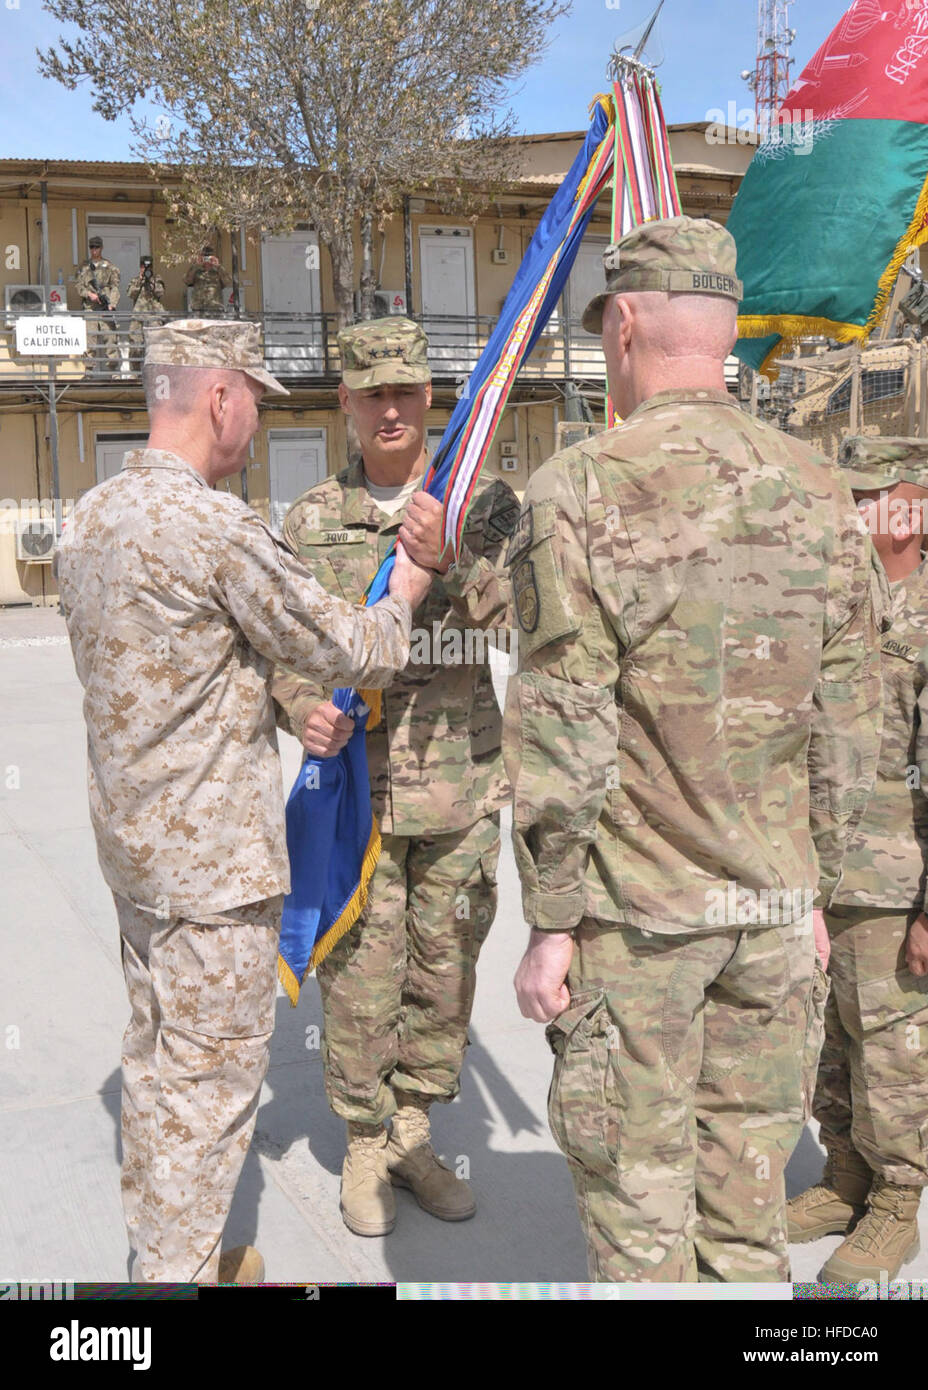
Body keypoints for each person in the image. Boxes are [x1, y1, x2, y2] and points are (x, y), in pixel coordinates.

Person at [504, 216, 884, 1282]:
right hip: (774, 918)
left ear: (624, 325)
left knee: (642, 1221)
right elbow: (848, 726)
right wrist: (814, 891)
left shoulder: (580, 488)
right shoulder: (819, 490)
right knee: (748, 1217)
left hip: (642, 930)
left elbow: (564, 728)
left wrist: (550, 922)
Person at [54, 318, 431, 1284]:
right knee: (211, 1091)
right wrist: (410, 583)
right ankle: (171, 1281)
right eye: (255, 400)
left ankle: (174, 1252)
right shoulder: (216, 529)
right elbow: (360, 649)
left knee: (156, 1066)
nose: (258, 421)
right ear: (220, 399)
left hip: (136, 857)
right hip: (213, 872)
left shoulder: (90, 516)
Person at [272, 316, 519, 1237]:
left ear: (430, 397)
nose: (389, 409)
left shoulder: (482, 504)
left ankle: (415, 1134)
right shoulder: (308, 520)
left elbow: (524, 621)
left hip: (459, 790)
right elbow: (281, 648)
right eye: (371, 392)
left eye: (404, 391)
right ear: (344, 400)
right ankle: (365, 1144)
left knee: (444, 979)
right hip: (358, 804)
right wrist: (301, 707)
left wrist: (456, 561)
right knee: (360, 984)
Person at [788, 434, 928, 1284]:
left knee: (892, 1051)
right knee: (830, 1044)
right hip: (821, 872)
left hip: (894, 882)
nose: (847, 509)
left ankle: (897, 1202)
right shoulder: (836, 603)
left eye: (866, 496)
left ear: (909, 509)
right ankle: (845, 1176)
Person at [76, 235, 121, 375]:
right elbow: (79, 286)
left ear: (101, 248)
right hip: (90, 308)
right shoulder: (84, 266)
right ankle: (89, 372)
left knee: (111, 340)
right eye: (92, 247)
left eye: (97, 247)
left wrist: (112, 304)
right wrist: (90, 295)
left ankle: (114, 372)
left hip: (105, 308)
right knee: (90, 341)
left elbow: (115, 287)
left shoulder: (109, 266)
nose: (94, 250)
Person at [127, 255, 166, 367]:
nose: (145, 269)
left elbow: (160, 293)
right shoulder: (135, 280)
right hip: (138, 316)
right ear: (140, 267)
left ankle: (155, 370)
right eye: (143, 266)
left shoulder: (157, 279)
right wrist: (140, 281)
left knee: (155, 345)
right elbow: (130, 294)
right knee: (135, 346)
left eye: (148, 267)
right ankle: (135, 373)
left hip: (154, 316)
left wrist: (152, 282)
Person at [184, 244, 232, 318]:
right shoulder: (196, 271)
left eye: (209, 256)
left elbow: (227, 282)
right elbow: (187, 281)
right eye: (205, 256)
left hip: (215, 308)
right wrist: (195, 265)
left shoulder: (218, 271)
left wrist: (219, 266)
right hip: (198, 308)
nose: (207, 259)